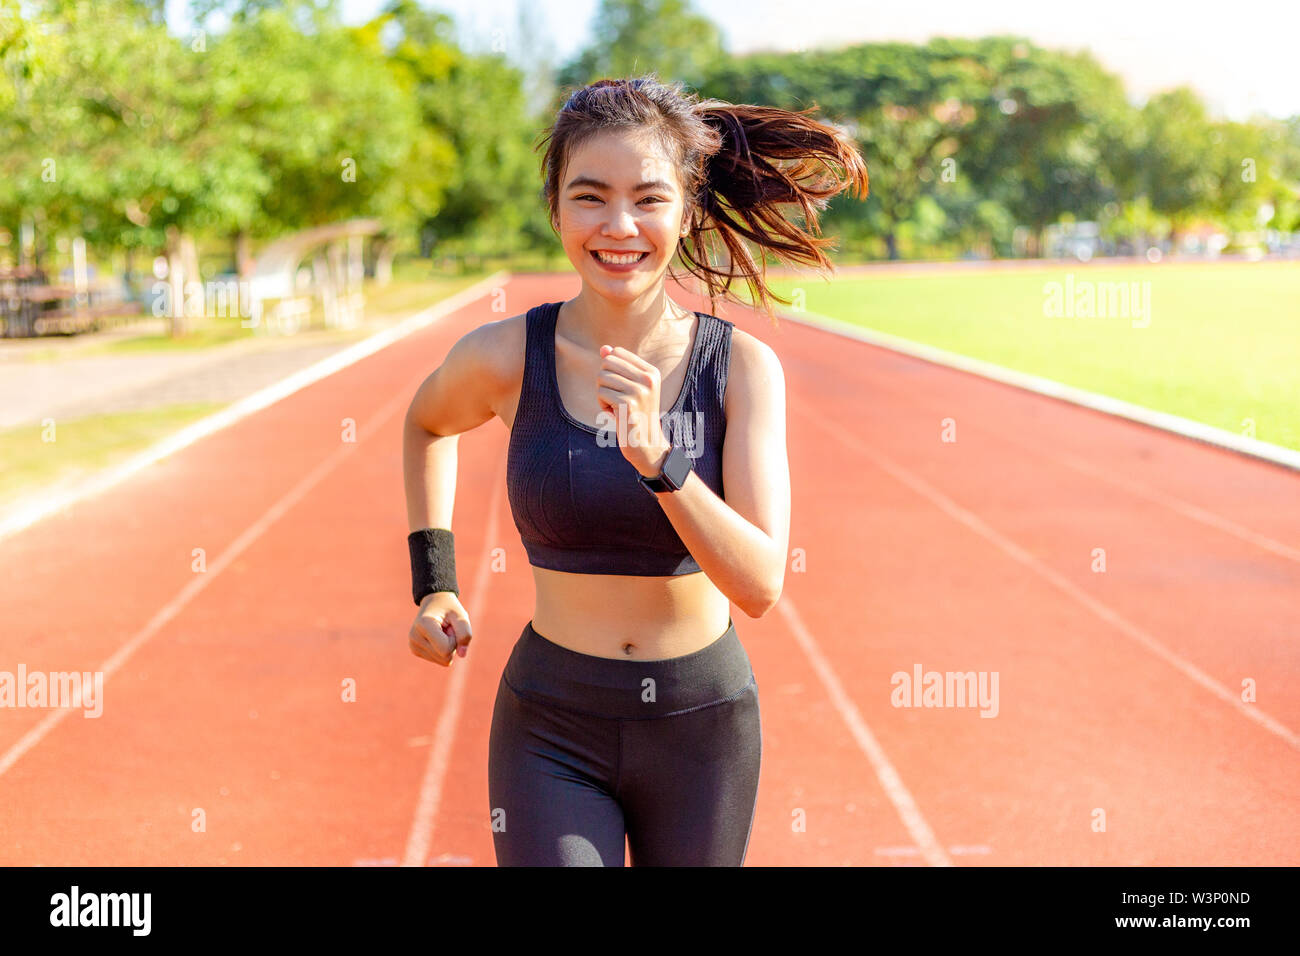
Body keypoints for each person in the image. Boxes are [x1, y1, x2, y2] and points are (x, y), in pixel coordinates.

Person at [402, 74, 869, 866]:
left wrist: (660, 460)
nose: (619, 226)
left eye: (648, 199)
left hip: (702, 729)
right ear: (554, 207)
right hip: (550, 722)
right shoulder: (507, 355)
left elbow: (759, 584)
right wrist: (435, 582)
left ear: (685, 209)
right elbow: (425, 422)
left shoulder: (742, 369)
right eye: (590, 196)